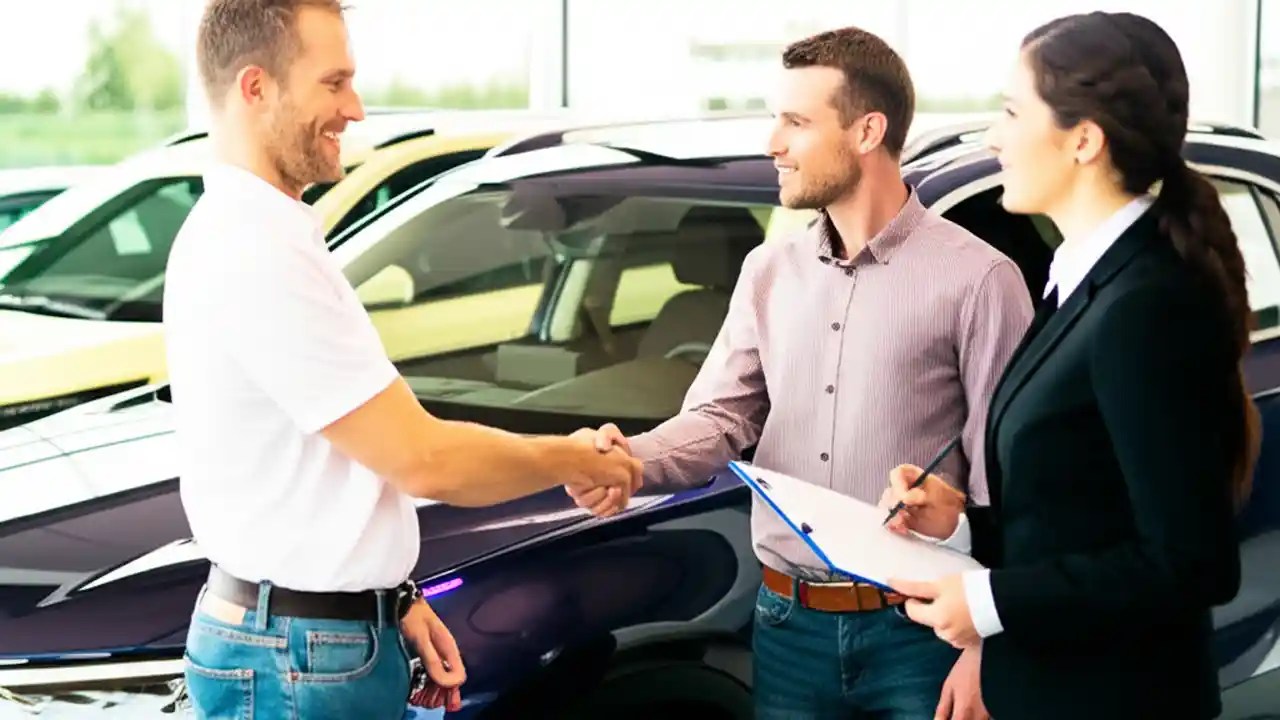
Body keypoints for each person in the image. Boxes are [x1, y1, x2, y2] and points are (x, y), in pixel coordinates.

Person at [163, 2, 641, 718]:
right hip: (300, 663)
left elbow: (314, 467)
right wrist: (576, 459)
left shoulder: (253, 231)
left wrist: (390, 599)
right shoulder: (256, 250)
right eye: (334, 83)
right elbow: (426, 461)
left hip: (304, 642)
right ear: (256, 88)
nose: (354, 109)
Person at [573, 26, 1033, 719]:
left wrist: (987, 646)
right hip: (786, 626)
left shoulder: (980, 280)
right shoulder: (768, 272)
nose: (772, 144)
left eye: (795, 122)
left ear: (867, 131)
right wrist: (631, 461)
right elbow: (722, 419)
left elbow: (1017, 485)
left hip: (924, 633)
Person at [881, 12, 1259, 720]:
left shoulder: (1147, 303)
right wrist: (960, 528)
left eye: (1012, 111)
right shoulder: (1087, 281)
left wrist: (990, 602)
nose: (994, 136)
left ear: (1084, 139)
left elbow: (1190, 563)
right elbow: (1081, 518)